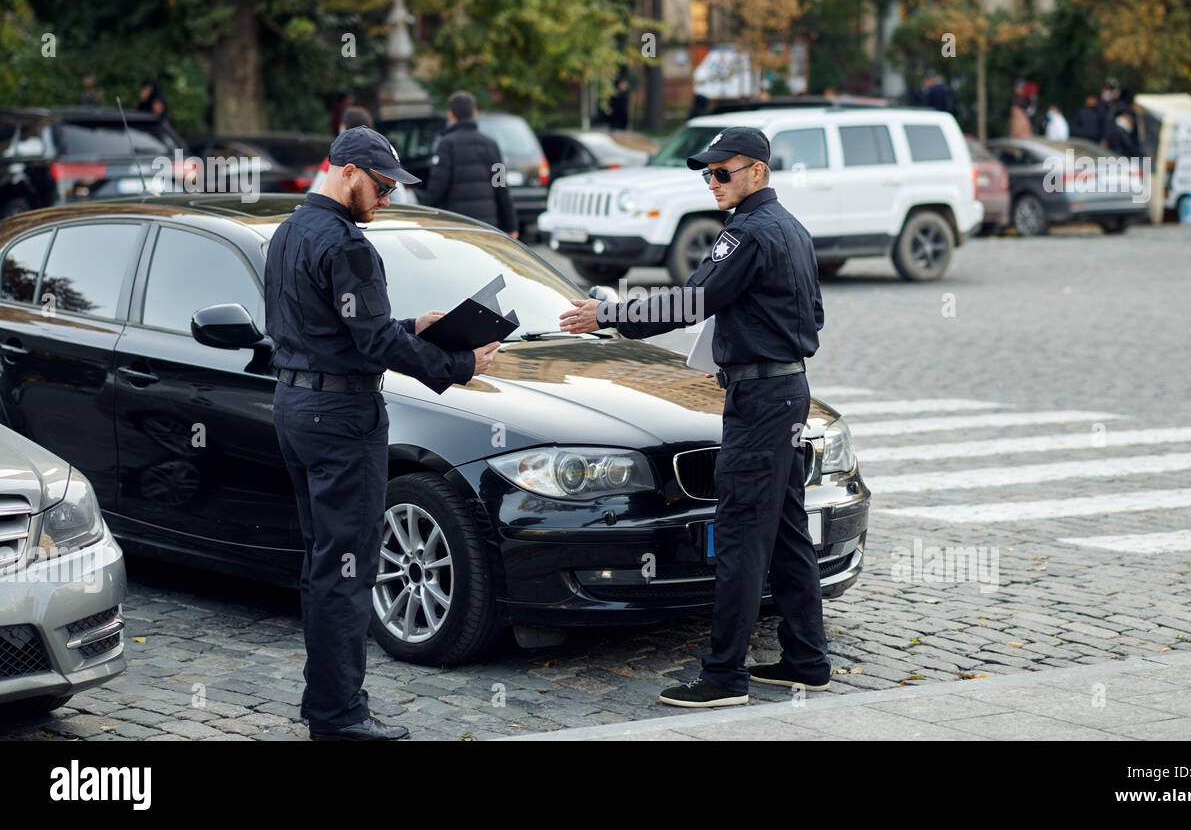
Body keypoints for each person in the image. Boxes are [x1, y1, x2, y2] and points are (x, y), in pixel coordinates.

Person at [558, 127, 829, 708]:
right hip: (788, 390)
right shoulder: (793, 229)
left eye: (721, 172)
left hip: (759, 404)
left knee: (738, 535)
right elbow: (811, 314)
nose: (712, 183)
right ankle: (807, 660)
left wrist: (610, 313)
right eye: (706, 174)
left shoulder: (749, 233)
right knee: (785, 529)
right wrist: (744, 344)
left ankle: (724, 677)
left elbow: (690, 301)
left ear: (757, 170)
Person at [265, 125, 500, 740]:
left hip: (294, 408)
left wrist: (414, 323)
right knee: (347, 571)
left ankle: (326, 707)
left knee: (323, 565)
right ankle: (339, 718)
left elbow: (332, 328)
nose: (389, 197)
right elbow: (370, 341)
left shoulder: (287, 233)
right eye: (383, 184)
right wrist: (460, 364)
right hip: (343, 422)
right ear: (346, 172)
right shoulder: (349, 246)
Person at [425, 92, 519, 238]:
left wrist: (426, 215)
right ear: (475, 112)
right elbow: (500, 186)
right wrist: (511, 225)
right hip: (487, 225)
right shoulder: (491, 145)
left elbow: (438, 186)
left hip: (457, 223)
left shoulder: (446, 144)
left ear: (451, 115)